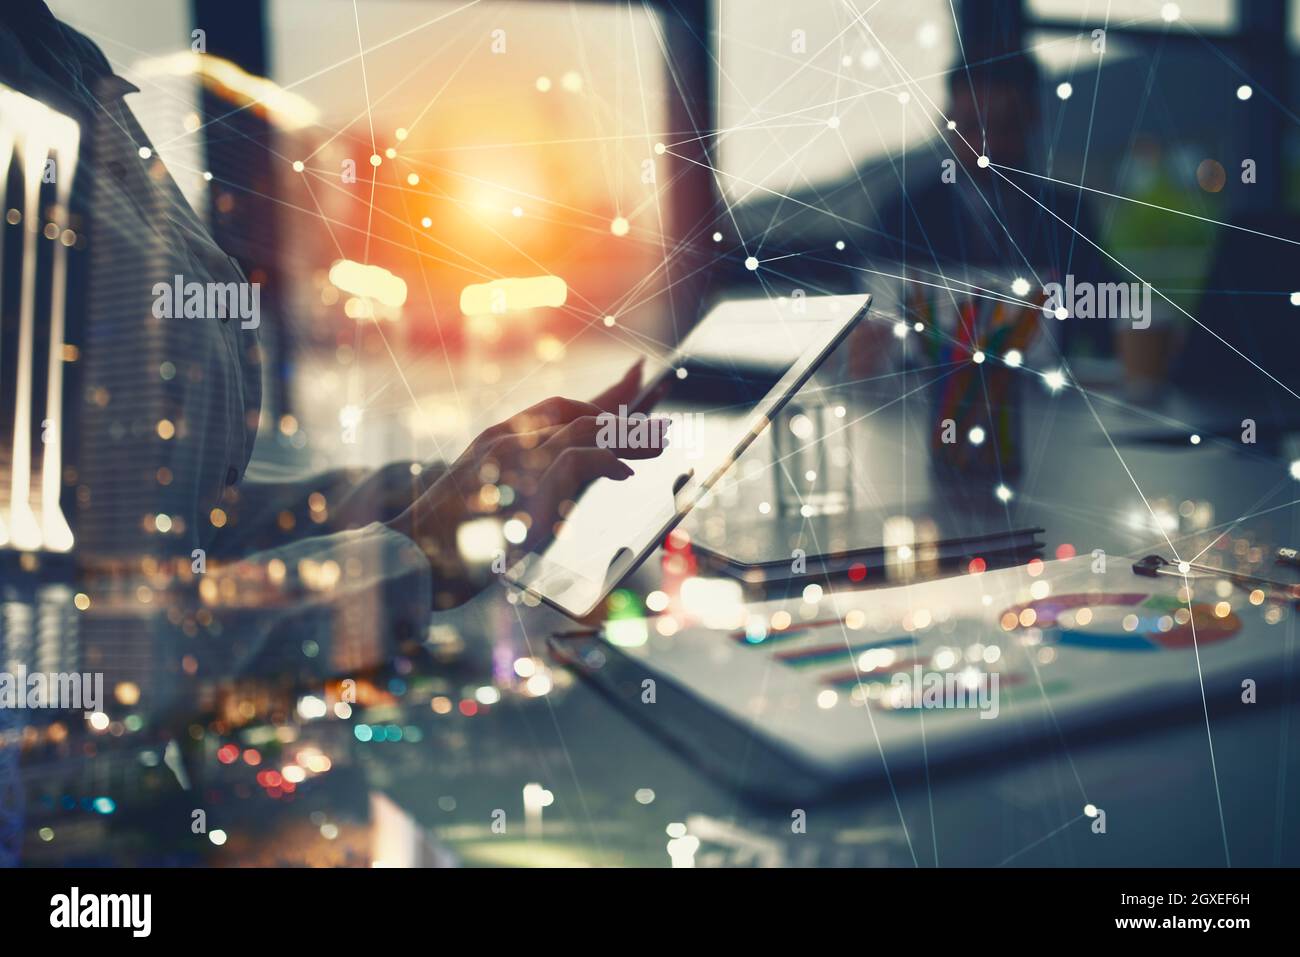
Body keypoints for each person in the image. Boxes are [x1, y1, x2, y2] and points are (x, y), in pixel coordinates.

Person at [0, 1, 665, 694]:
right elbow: (83, 657)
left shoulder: (53, 62)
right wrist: (416, 548)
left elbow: (181, 527)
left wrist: (447, 490)